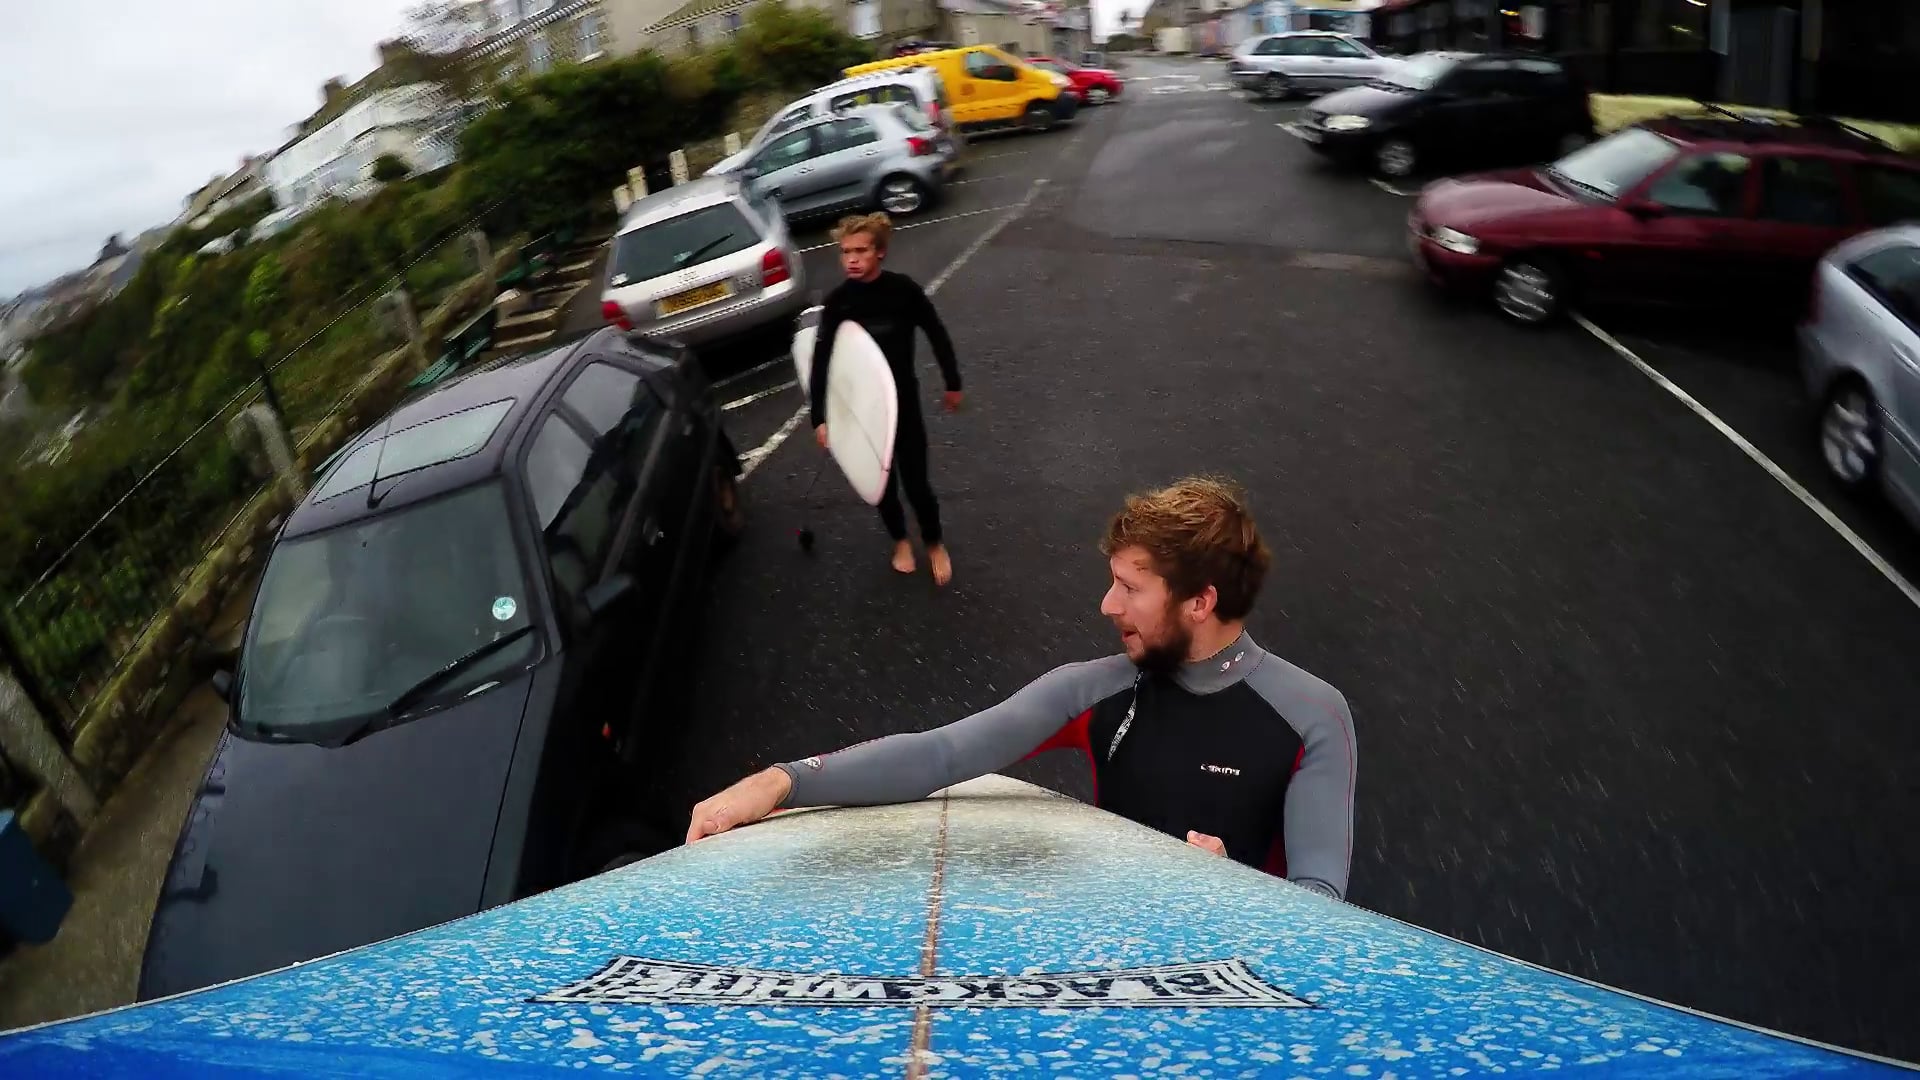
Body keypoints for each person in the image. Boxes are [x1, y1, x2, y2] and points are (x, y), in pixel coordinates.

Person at [684, 477, 1359, 900]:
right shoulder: (1093, 691)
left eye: (1130, 589)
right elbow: (940, 755)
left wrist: (1239, 896)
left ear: (1200, 601)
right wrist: (778, 782)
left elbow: (1323, 902)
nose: (1107, 606)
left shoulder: (1311, 716)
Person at [811, 212, 964, 586]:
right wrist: (820, 417)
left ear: (879, 252)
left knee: (916, 483)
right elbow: (821, 362)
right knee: (880, 483)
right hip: (862, 409)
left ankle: (933, 543)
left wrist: (952, 381)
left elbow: (936, 332)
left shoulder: (903, 291)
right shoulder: (838, 303)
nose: (852, 259)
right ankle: (899, 541)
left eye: (861, 251)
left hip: (903, 404)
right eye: (845, 252)